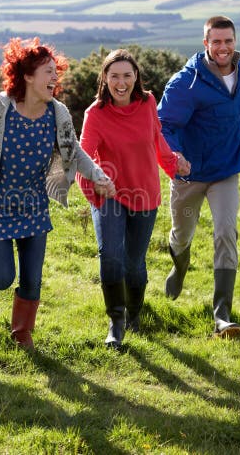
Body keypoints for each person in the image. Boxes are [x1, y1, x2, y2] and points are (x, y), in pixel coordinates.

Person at [0, 37, 115, 350]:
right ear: (27, 76)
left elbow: (74, 152)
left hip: (33, 207)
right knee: (2, 279)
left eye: (56, 71)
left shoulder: (57, 114)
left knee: (32, 278)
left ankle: (21, 332)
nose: (55, 77)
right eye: (47, 71)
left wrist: (99, 175)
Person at [77, 49, 191, 349]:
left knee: (134, 266)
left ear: (136, 76)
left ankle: (134, 314)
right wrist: (96, 180)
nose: (121, 82)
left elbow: (156, 139)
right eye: (114, 76)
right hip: (109, 193)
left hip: (144, 193)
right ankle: (116, 322)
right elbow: (83, 157)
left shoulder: (147, 102)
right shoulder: (95, 114)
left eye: (127, 75)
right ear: (105, 78)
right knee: (111, 256)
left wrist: (173, 163)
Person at [157, 15, 240, 338]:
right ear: (206, 43)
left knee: (226, 232)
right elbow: (164, 124)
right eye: (216, 41)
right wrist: (176, 156)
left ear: (235, 42)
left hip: (226, 170)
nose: (223, 47)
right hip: (189, 173)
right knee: (182, 234)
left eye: (228, 41)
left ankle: (222, 316)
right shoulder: (186, 83)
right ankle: (179, 266)